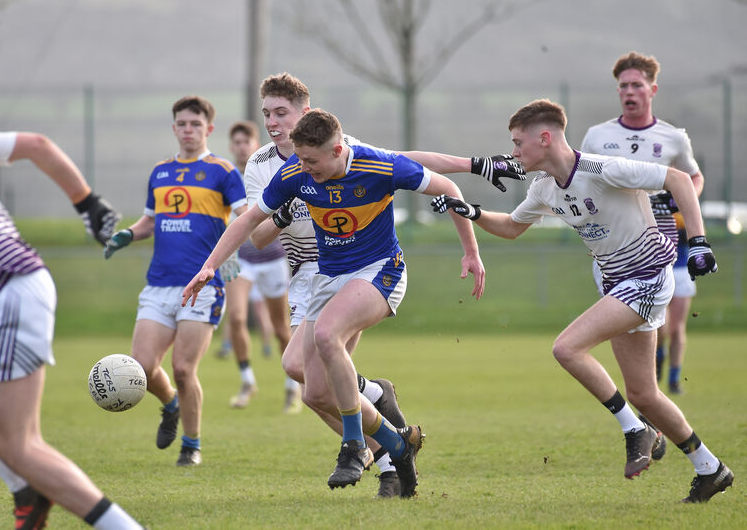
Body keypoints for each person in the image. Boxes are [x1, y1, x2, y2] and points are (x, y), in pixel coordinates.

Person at [431, 98, 733, 503]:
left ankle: (635, 429)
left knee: (567, 348)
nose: (514, 152)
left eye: (518, 143)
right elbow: (511, 228)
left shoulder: (602, 168)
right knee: (643, 394)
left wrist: (698, 243)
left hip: (646, 276)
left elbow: (679, 179)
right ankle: (710, 468)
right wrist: (469, 210)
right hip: (617, 281)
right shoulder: (542, 187)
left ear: (545, 138)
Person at [241, 72, 524, 497]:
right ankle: (387, 431)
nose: (273, 122)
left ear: (306, 113)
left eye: (282, 112)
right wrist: (288, 206)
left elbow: (405, 162)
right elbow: (258, 235)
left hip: (361, 271)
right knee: (308, 383)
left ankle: (372, 453)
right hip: (309, 275)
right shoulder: (264, 167)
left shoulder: (337, 145)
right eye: (267, 113)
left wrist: (472, 164)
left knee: (316, 362)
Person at [184, 108, 485, 498]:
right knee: (312, 389)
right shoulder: (295, 172)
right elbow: (248, 223)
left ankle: (353, 445)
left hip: (380, 271)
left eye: (311, 160)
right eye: (300, 159)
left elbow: (447, 187)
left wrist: (471, 252)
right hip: (329, 278)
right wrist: (209, 266)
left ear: (338, 150)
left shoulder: (379, 167)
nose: (304, 167)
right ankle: (398, 445)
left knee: (329, 334)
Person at [0, 124, 144, 528]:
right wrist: (87, 203)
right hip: (1, 291)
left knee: (18, 445)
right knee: (17, 449)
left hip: (6, 292)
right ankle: (23, 486)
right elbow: (38, 145)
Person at [103, 96, 247, 467]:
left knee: (184, 370)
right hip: (159, 284)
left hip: (201, 285)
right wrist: (126, 235)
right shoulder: (160, 172)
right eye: (182, 124)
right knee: (141, 367)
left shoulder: (224, 172)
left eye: (195, 124)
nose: (188, 130)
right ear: (174, 128)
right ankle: (170, 406)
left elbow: (247, 217)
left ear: (208, 129)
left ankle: (191, 444)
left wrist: (228, 254)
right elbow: (150, 221)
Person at [580, 51, 705, 395]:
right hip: (613, 252)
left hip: (659, 251)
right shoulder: (596, 136)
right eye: (623, 86)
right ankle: (649, 403)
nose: (629, 92)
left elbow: (693, 179)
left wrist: (682, 201)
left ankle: (653, 400)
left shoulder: (673, 138)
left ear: (653, 89)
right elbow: (580, 180)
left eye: (637, 85)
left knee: (662, 327)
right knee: (633, 333)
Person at [224, 120, 299, 412]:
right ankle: (247, 382)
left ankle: (293, 387)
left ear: (255, 145)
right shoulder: (227, 175)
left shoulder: (267, 168)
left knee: (282, 328)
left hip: (273, 258)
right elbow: (224, 216)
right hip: (241, 259)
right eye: (237, 142)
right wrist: (225, 251)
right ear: (231, 146)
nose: (242, 147)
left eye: (247, 142)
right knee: (237, 318)